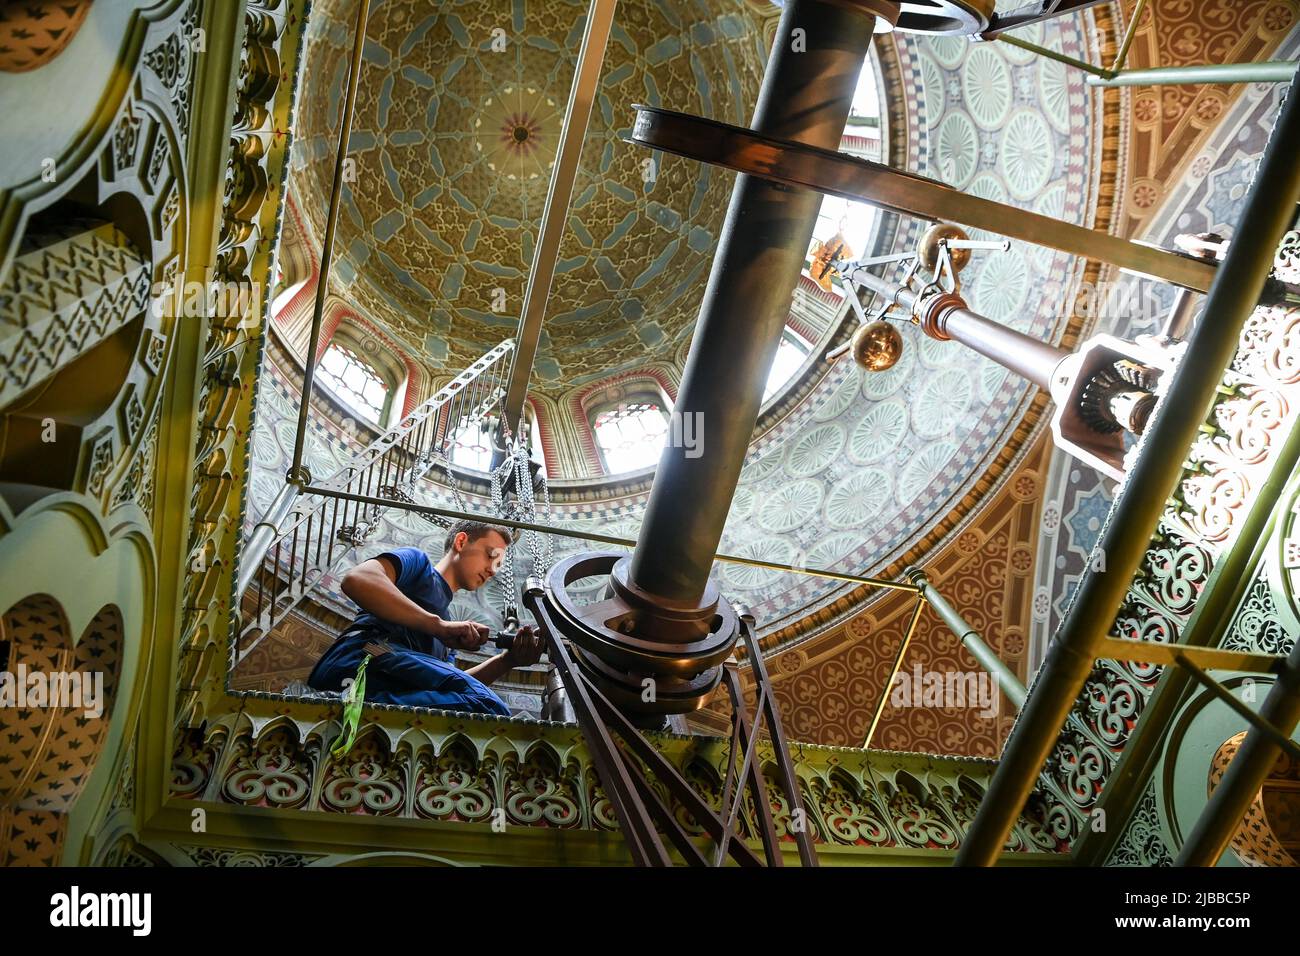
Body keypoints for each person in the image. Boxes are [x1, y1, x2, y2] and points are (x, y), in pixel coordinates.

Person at [306, 519, 544, 715]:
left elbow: (453, 689)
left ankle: (364, 709)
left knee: (481, 709)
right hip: (366, 656)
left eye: (498, 565)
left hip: (391, 690)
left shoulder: (449, 627)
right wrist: (437, 626)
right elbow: (358, 580)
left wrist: (506, 661)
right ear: (461, 542)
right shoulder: (418, 564)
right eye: (490, 556)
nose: (492, 570)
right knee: (489, 705)